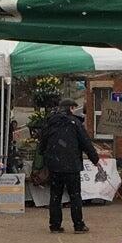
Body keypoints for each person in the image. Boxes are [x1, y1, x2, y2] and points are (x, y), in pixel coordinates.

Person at [37, 98, 99, 233]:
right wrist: (95, 160)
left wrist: (44, 156)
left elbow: (42, 142)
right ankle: (78, 225)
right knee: (75, 196)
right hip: (72, 165)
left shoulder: (51, 122)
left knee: (55, 196)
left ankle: (55, 225)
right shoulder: (75, 123)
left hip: (54, 165)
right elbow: (86, 143)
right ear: (70, 108)